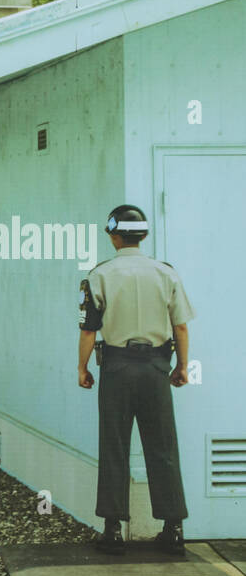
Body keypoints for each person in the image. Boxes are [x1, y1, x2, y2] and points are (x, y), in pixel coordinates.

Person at [78, 204, 194, 556]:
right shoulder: (166, 273)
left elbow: (88, 329)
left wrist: (82, 368)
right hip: (157, 367)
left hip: (116, 367)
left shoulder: (99, 275)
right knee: (162, 445)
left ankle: (113, 530)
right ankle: (173, 529)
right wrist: (182, 367)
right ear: (143, 235)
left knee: (114, 444)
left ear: (114, 236)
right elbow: (181, 326)